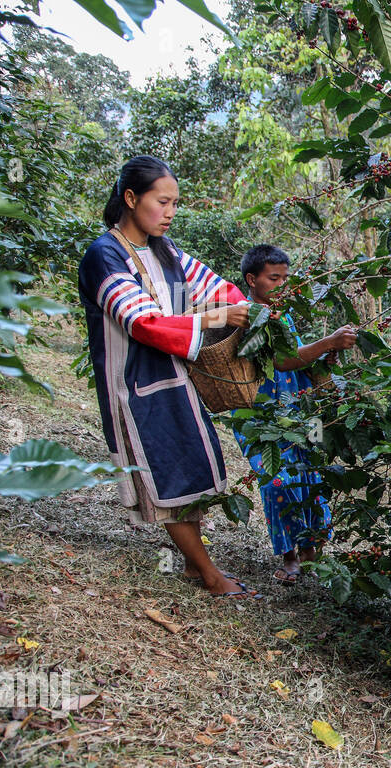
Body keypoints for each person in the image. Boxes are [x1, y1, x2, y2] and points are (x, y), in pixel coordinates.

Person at [77, 155, 257, 598]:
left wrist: (245, 308)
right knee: (167, 472)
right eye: (163, 202)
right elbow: (142, 322)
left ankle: (196, 565)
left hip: (176, 376)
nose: (171, 212)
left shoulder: (166, 250)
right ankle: (208, 574)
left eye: (175, 203)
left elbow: (215, 287)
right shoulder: (105, 255)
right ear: (131, 198)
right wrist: (215, 316)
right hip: (133, 384)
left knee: (190, 465)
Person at [232, 244, 357, 584]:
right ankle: (289, 555)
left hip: (298, 412)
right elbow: (282, 360)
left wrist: (323, 358)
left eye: (285, 279)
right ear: (252, 280)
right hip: (261, 418)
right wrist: (328, 342)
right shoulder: (246, 316)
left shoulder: (282, 315)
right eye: (274, 278)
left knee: (310, 475)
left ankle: (310, 551)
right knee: (277, 481)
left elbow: (298, 359)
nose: (282, 285)